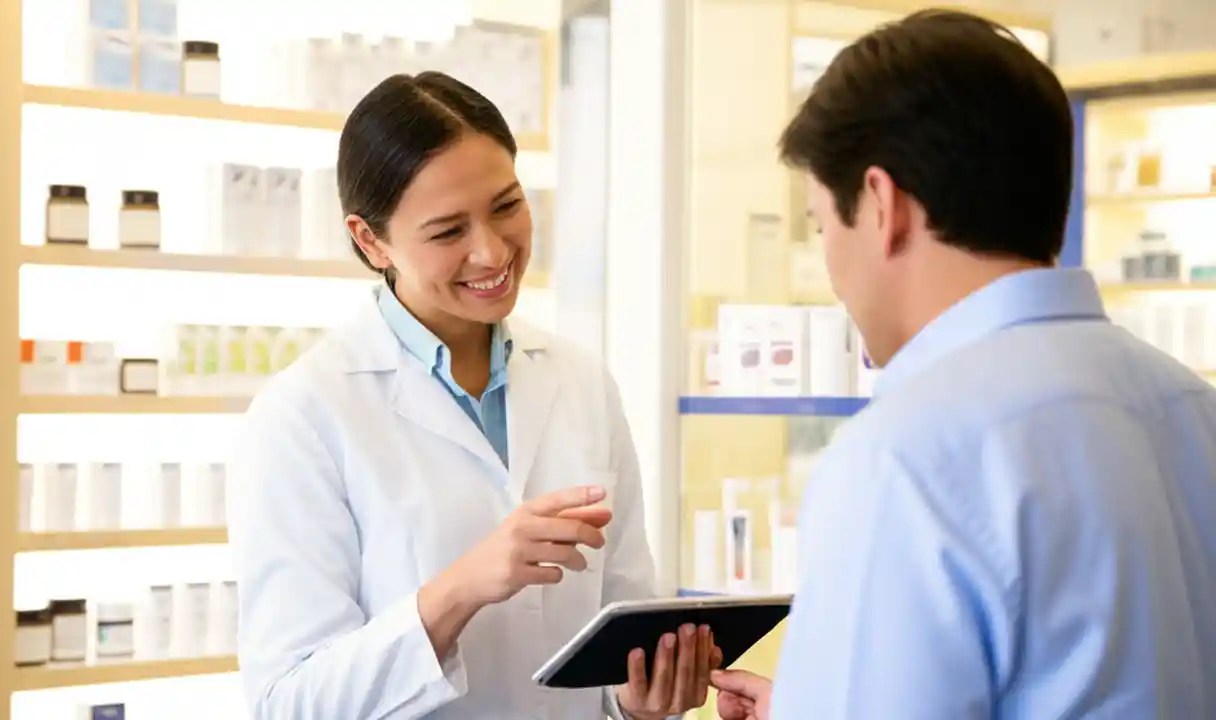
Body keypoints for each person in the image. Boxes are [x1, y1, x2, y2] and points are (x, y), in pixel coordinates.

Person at [710, 10, 1216, 720]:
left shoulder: (907, 456)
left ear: (884, 207)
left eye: (823, 223)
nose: (829, 263)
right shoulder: (1192, 409)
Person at [229, 72, 717, 719]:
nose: (492, 251)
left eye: (507, 205)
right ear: (371, 240)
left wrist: (638, 701)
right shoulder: (304, 415)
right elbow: (289, 702)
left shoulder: (580, 382)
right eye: (447, 231)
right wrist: (461, 588)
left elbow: (618, 633)